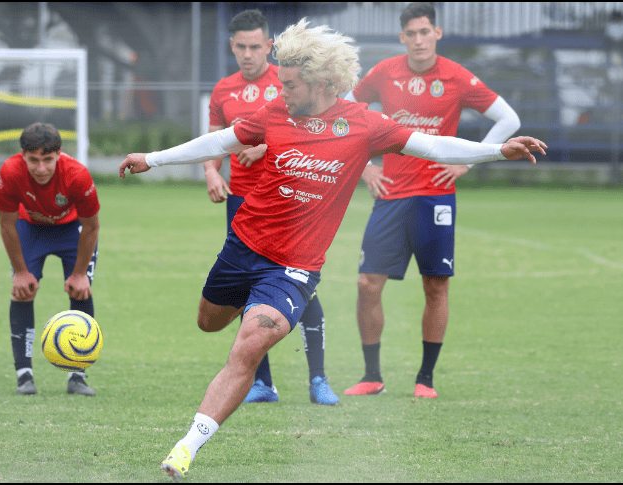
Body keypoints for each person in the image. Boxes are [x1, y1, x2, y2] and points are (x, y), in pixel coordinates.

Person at [119, 18, 545, 481]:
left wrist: (496, 151)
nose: (280, 91)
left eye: (289, 85)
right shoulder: (274, 114)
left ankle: (186, 447)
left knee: (250, 344)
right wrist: (153, 159)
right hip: (242, 247)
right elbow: (220, 140)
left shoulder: (364, 124)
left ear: (322, 83)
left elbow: (434, 146)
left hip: (294, 267)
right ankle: (253, 305)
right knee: (209, 322)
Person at [341, 2, 522, 400]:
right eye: (411, 34)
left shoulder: (456, 76)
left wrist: (467, 163)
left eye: (425, 32)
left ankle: (425, 378)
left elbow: (509, 120)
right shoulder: (384, 72)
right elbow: (345, 112)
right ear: (402, 37)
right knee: (367, 283)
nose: (419, 40)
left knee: (435, 286)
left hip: (435, 196)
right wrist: (364, 166)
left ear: (437, 33)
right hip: (391, 195)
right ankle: (372, 376)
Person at [204, 9, 338, 406]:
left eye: (255, 47)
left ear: (269, 46)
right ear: (232, 46)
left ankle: (318, 379)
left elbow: (311, 129)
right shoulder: (223, 90)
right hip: (242, 203)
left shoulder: (290, 82)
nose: (248, 54)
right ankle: (262, 383)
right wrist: (211, 172)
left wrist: (265, 146)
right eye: (240, 47)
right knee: (246, 289)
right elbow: (215, 140)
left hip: (289, 202)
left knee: (302, 289)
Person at [0, 122, 100, 396]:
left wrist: (79, 274)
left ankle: (78, 375)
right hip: (31, 228)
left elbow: (91, 227)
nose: (41, 169)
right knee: (23, 291)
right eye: (33, 160)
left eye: (48, 160)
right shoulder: (10, 172)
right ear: (22, 156)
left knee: (80, 290)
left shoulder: (77, 175)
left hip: (71, 230)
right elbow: (6, 223)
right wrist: (20, 272)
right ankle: (24, 375)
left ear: (59, 155)